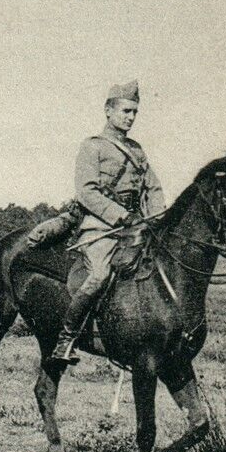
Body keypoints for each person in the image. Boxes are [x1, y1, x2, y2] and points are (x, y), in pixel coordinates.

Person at [45, 80, 167, 366]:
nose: (131, 117)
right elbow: (86, 191)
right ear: (108, 111)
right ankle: (67, 339)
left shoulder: (138, 151)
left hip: (136, 229)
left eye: (135, 112)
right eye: (125, 110)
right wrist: (121, 216)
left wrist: (158, 217)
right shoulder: (93, 147)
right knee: (100, 275)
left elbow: (154, 188)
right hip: (102, 229)